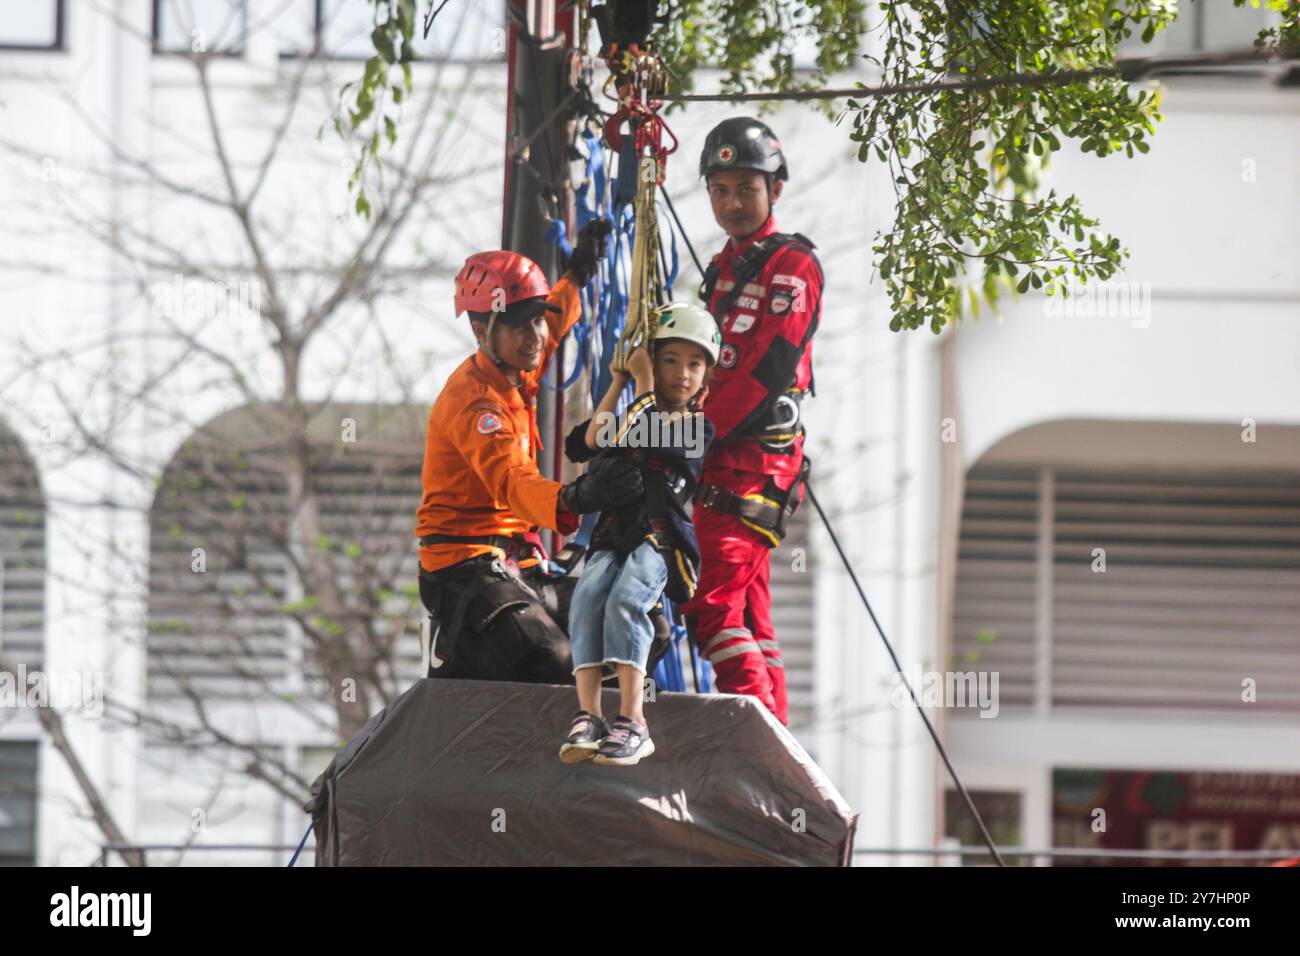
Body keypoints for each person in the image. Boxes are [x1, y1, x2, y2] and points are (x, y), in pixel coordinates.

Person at [415, 219, 644, 684]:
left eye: (536, 321)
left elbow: (553, 321)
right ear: (481, 331)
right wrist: (576, 497)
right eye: (520, 326)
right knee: (553, 658)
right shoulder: (476, 403)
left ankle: (595, 732)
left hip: (517, 566)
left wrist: (577, 275)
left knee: (640, 629)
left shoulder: (515, 373)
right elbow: (512, 480)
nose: (535, 336)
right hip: (463, 570)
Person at [683, 117, 824, 726]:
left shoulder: (792, 264)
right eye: (721, 190)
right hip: (719, 455)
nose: (733, 202)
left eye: (747, 187)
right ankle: (781, 749)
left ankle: (759, 754)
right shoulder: (721, 269)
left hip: (754, 459)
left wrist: (693, 434)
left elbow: (767, 368)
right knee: (747, 620)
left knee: (708, 607)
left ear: (775, 189)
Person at [558, 303, 719, 765]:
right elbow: (587, 443)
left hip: (659, 538)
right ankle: (589, 715)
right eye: (670, 360)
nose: (683, 374)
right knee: (588, 598)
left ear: (706, 376)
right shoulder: (632, 413)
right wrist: (619, 382)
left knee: (627, 600)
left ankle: (633, 719)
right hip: (614, 533)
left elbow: (651, 437)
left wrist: (644, 383)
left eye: (694, 364)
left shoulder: (697, 429)